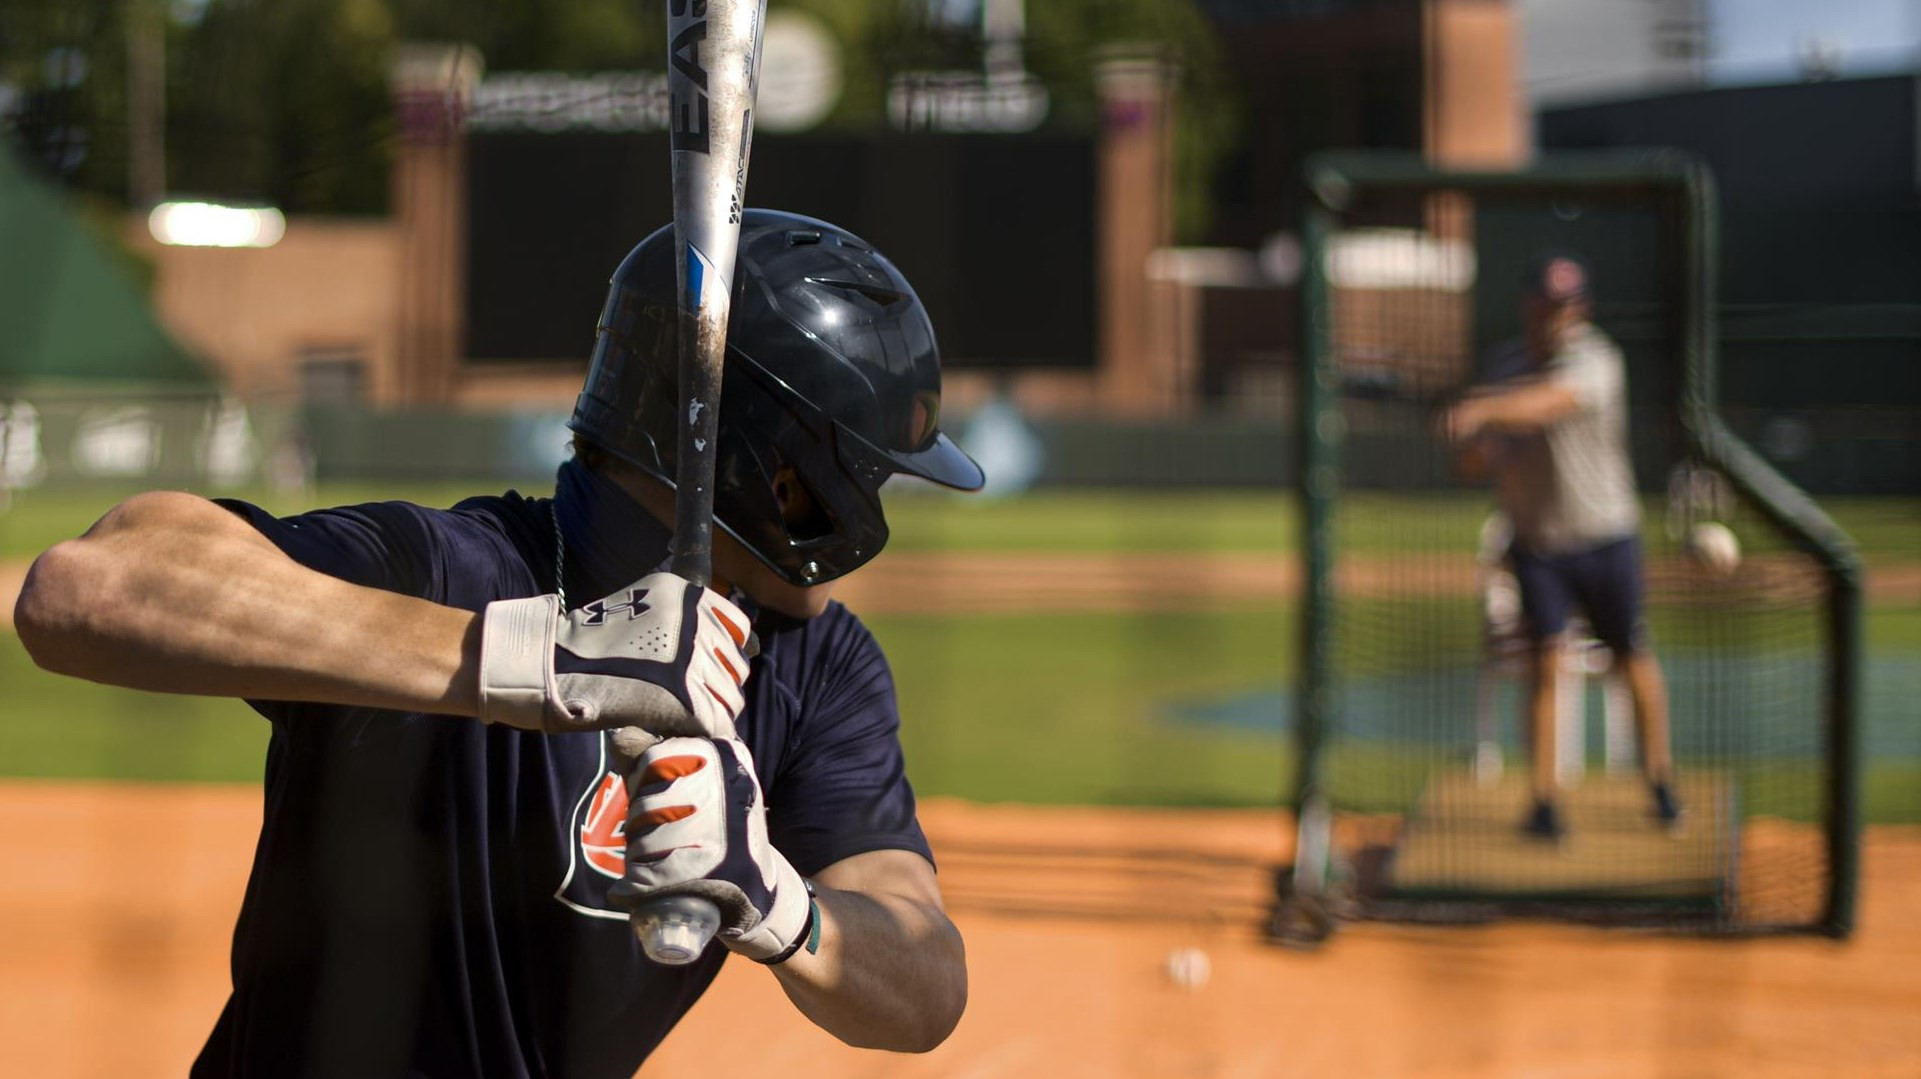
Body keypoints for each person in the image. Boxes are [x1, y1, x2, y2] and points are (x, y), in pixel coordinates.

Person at [14, 209, 979, 1077]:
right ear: (781, 477)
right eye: (867, 473)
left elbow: (925, 983)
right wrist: (531, 657)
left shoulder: (819, 668)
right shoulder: (454, 569)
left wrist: (783, 909)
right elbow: (85, 589)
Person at [1439, 251, 1680, 842]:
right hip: (1538, 544)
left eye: (1565, 306)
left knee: (1630, 655)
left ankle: (1660, 781)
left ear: (1581, 310)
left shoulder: (1596, 358)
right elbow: (1478, 463)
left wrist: (1481, 408)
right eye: (1546, 303)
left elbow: (1551, 401)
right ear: (1528, 304)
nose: (1554, 315)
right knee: (1546, 664)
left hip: (1605, 536)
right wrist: (1470, 439)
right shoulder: (1505, 365)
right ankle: (1544, 802)